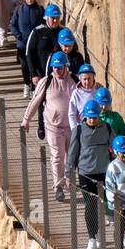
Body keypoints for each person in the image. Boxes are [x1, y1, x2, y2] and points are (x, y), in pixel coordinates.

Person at [21, 50, 76, 202]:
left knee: (71, 157)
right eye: (54, 67)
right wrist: (26, 120)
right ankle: (58, 186)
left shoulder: (74, 81)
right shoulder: (47, 81)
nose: (56, 70)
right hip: (53, 126)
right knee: (57, 156)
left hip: (71, 126)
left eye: (59, 67)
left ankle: (70, 182)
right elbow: (35, 101)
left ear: (66, 66)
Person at [66, 101, 112, 249]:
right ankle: (92, 237)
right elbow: (72, 153)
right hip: (86, 173)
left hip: (105, 172)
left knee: (111, 202)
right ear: (85, 116)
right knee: (90, 205)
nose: (93, 120)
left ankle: (124, 235)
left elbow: (116, 147)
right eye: (90, 117)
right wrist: (68, 174)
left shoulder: (107, 128)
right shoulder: (78, 130)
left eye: (95, 117)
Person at [24, 2, 63, 88]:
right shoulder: (37, 32)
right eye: (53, 18)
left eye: (57, 18)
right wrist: (33, 74)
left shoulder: (63, 32)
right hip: (41, 76)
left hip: (60, 76)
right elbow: (29, 53)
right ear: (46, 18)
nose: (55, 20)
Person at [66, 63, 103, 132]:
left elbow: (105, 106)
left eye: (89, 79)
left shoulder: (98, 90)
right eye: (84, 79)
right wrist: (75, 130)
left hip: (99, 126)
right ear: (80, 79)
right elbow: (71, 114)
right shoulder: (76, 93)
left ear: (93, 78)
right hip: (82, 128)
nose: (87, 82)